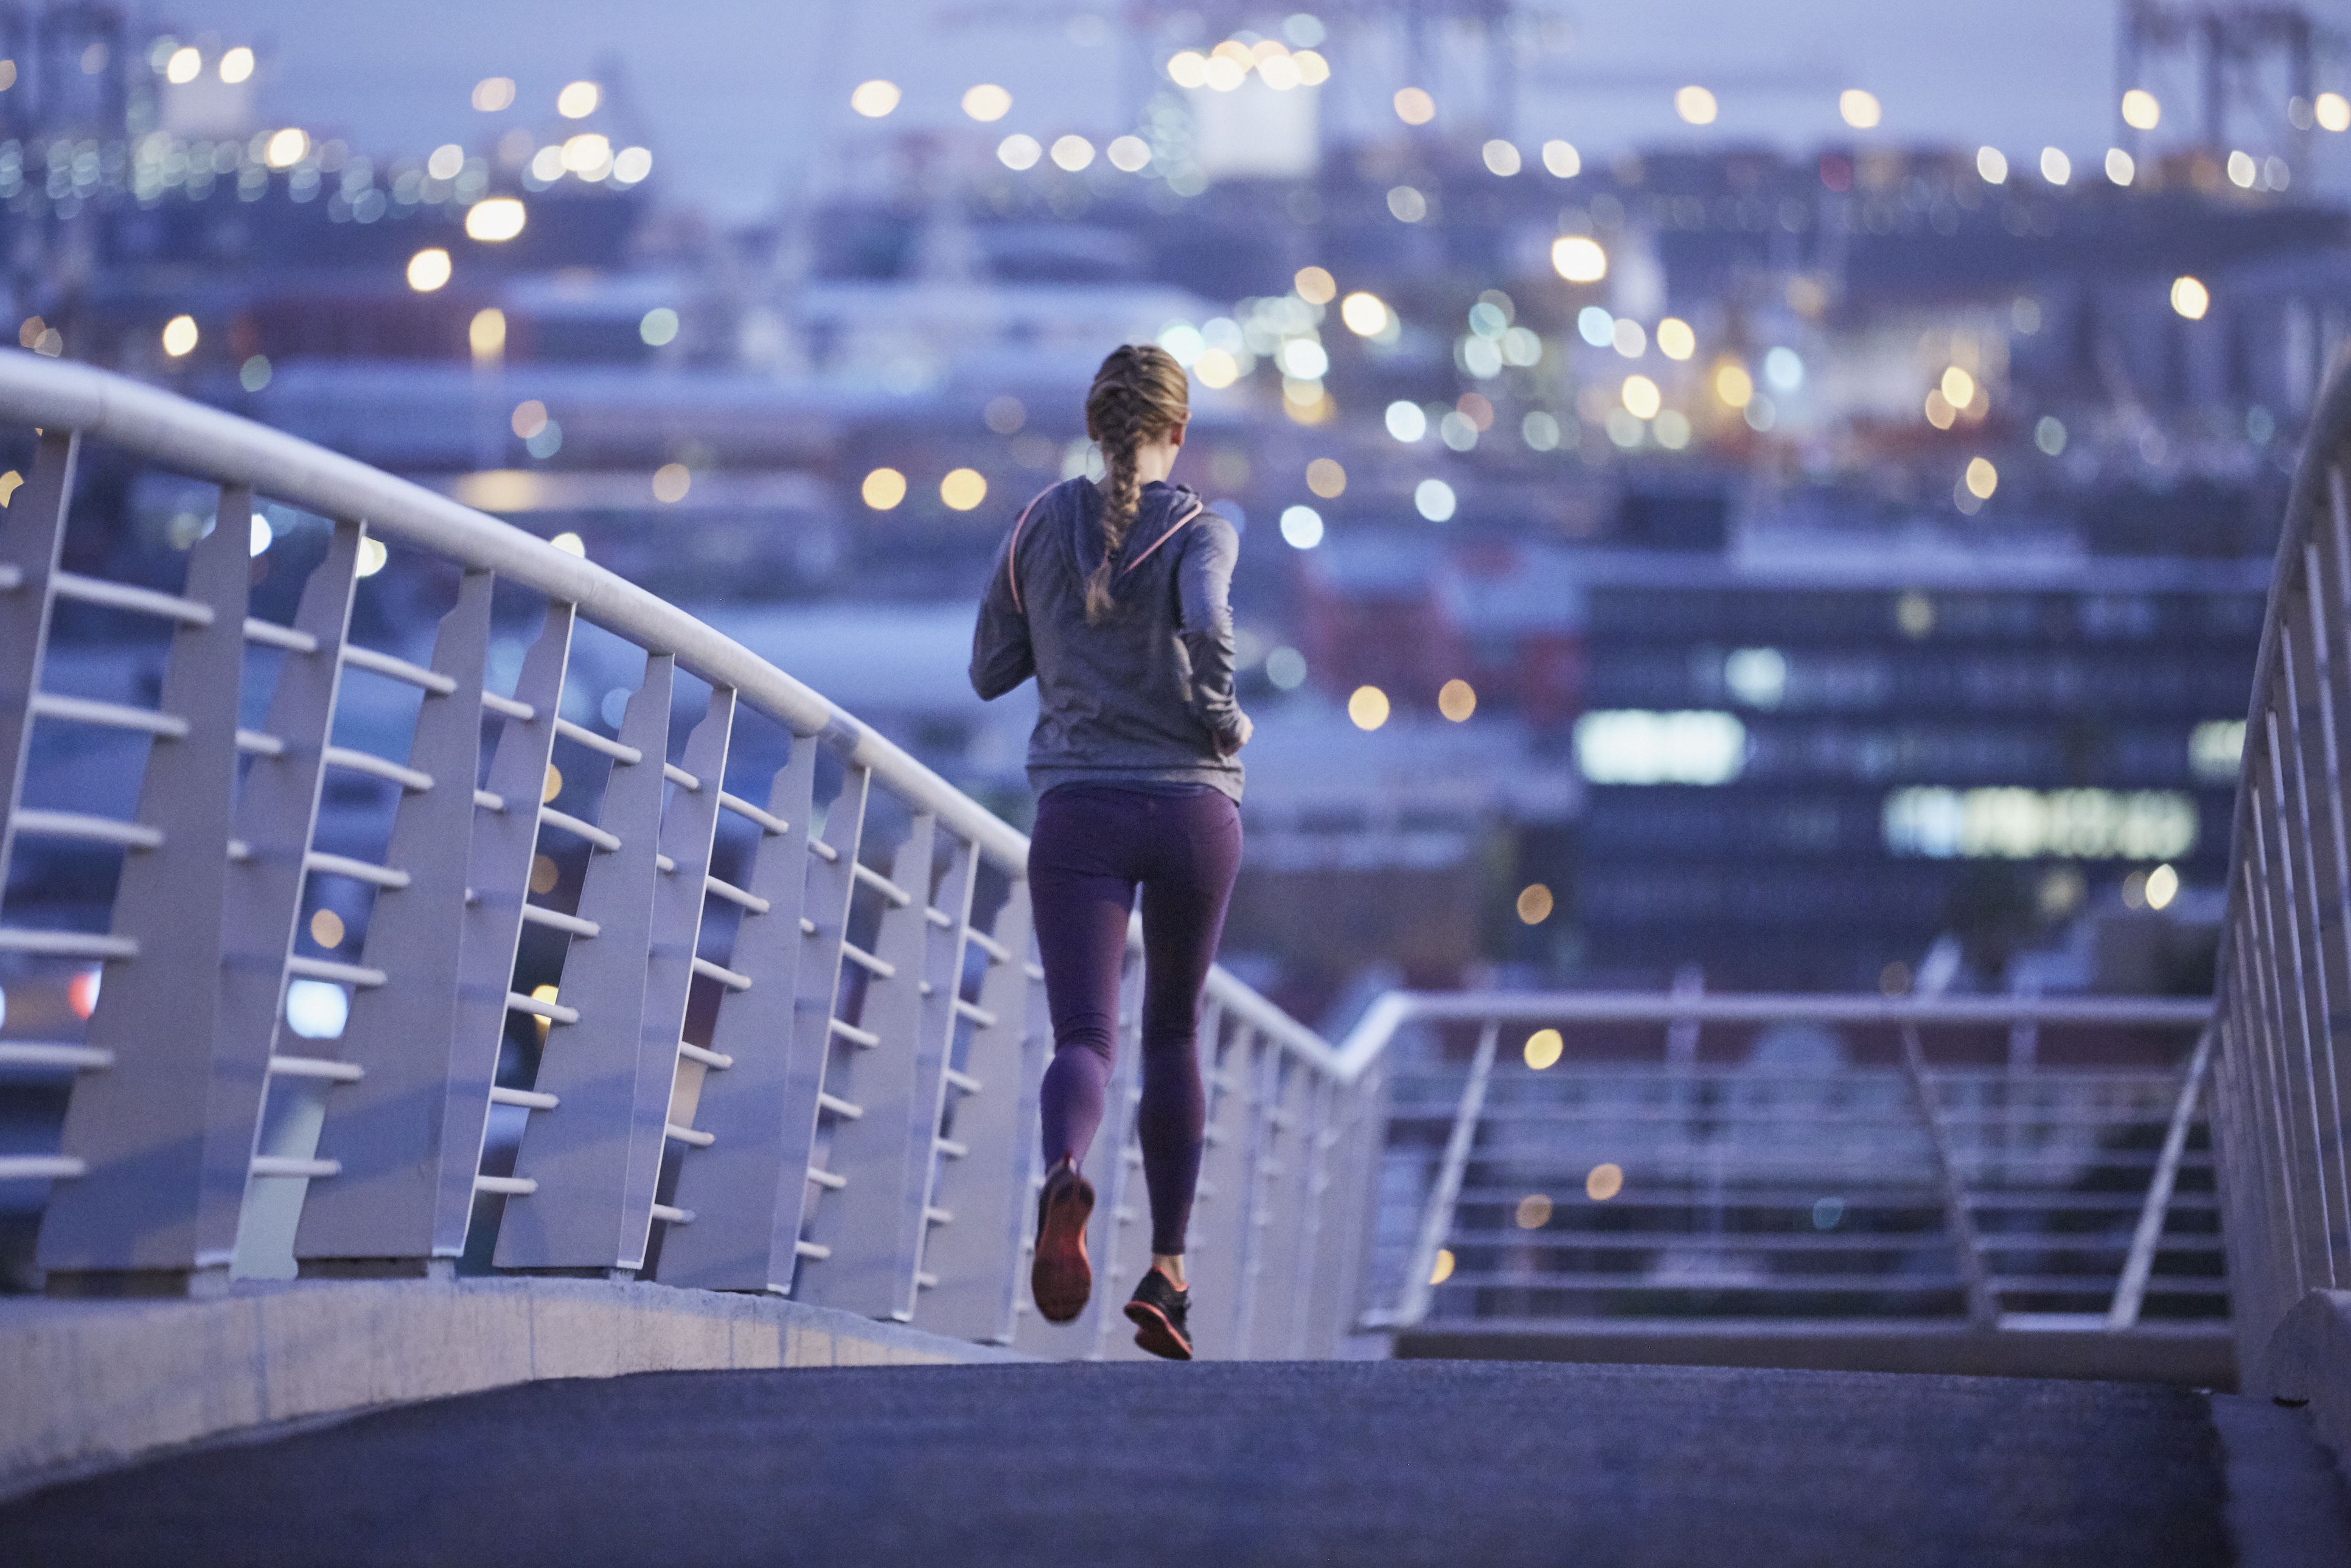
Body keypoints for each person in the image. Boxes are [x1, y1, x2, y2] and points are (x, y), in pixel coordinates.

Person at [969, 342, 1251, 1361]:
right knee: (1171, 1033)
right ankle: (1167, 1275)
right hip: (1191, 812)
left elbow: (989, 669)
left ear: (1094, 426)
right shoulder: (1202, 528)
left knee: (1083, 1035)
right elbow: (1210, 616)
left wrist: (1067, 637)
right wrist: (1220, 711)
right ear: (1180, 432)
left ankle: (1063, 1172)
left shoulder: (1038, 524)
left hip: (1078, 810)